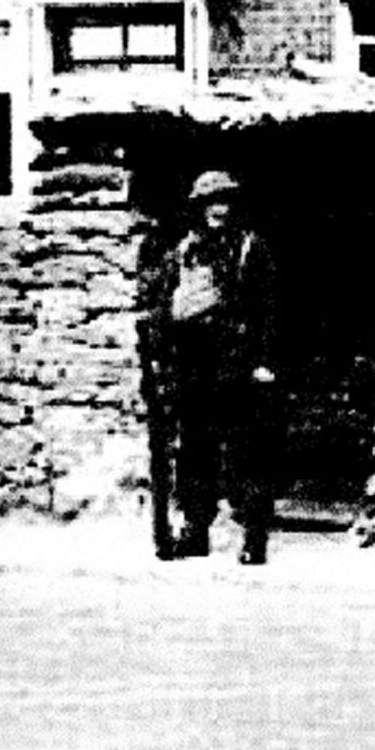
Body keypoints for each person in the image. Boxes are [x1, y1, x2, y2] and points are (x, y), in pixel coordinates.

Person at [139, 168, 278, 564]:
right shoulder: (185, 252)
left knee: (244, 452)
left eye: (224, 201)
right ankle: (195, 530)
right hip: (193, 363)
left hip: (236, 360)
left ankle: (253, 536)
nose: (217, 210)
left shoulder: (251, 249)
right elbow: (165, 307)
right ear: (198, 209)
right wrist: (161, 357)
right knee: (195, 451)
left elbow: (267, 310)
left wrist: (263, 361)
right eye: (209, 203)